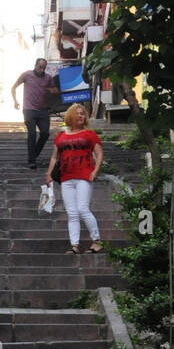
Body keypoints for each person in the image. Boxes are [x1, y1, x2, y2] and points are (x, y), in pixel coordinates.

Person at [45, 103, 103, 253]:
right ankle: (74, 245)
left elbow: (99, 154)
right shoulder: (61, 136)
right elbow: (54, 157)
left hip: (84, 175)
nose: (81, 116)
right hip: (66, 177)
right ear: (70, 116)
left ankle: (96, 241)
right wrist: (49, 174)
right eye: (78, 113)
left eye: (83, 114)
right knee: (71, 212)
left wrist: (95, 171)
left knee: (83, 208)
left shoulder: (90, 134)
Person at [11, 58, 59, 169]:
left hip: (43, 110)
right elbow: (13, 87)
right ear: (35, 65)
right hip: (29, 109)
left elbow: (56, 90)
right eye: (39, 67)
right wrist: (15, 101)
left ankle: (34, 154)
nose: (41, 69)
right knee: (32, 133)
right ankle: (32, 160)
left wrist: (52, 91)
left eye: (43, 67)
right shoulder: (26, 75)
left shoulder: (48, 78)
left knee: (45, 133)